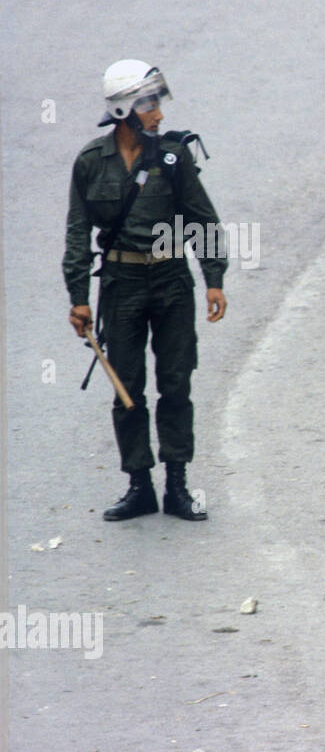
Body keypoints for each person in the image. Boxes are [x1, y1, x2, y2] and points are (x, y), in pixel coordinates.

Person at [64, 60, 226, 522]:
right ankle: (140, 486)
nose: (158, 114)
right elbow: (77, 232)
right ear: (124, 111)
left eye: (156, 102)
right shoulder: (91, 164)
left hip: (173, 280)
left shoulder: (174, 158)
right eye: (148, 104)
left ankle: (177, 486)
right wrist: (78, 297)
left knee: (176, 382)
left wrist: (214, 280)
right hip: (121, 285)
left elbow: (203, 221)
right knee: (127, 386)